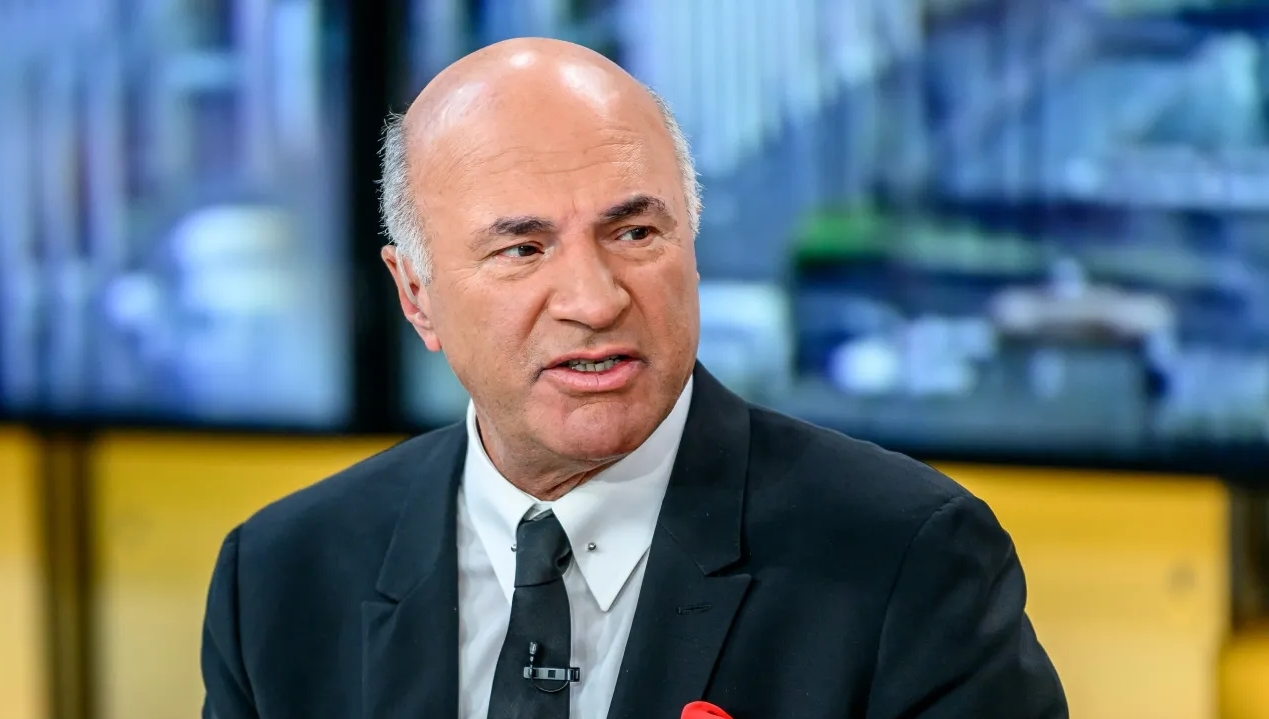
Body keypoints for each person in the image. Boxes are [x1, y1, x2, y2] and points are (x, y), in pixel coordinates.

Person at [200, 38, 1067, 719]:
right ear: (416, 295)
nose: (594, 299)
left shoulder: (906, 563)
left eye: (635, 234)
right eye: (523, 248)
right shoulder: (277, 579)